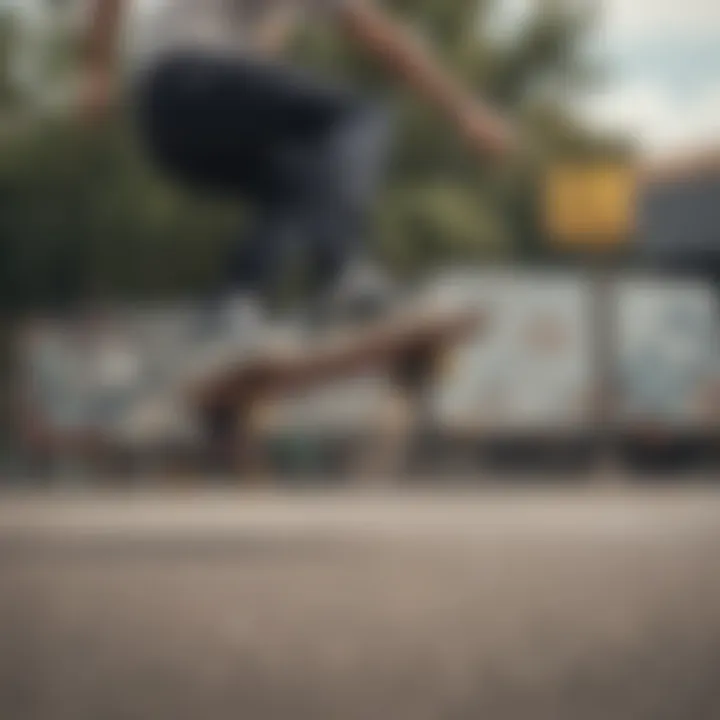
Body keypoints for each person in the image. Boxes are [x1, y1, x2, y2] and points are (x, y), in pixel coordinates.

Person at [81, 0, 513, 330]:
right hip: (192, 76)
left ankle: (233, 302)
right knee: (360, 116)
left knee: (299, 180)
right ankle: (341, 268)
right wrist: (464, 111)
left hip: (163, 126)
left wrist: (99, 72)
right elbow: (385, 42)